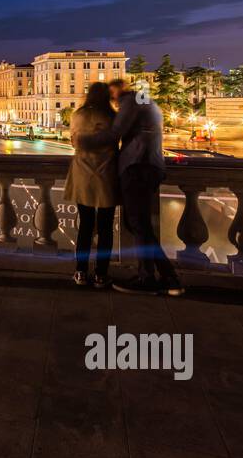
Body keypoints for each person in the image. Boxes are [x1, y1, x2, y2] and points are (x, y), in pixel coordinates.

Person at [91, 79, 185, 296]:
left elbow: (115, 133)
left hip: (137, 167)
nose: (112, 99)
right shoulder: (145, 102)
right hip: (148, 166)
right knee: (139, 225)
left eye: (111, 93)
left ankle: (151, 278)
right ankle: (165, 277)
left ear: (117, 89)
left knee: (138, 224)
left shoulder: (131, 102)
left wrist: (85, 140)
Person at [65, 81, 119, 288]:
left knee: (85, 226)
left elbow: (73, 141)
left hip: (83, 174)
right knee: (105, 228)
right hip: (106, 174)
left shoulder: (78, 115)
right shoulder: (111, 116)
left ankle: (80, 271)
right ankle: (101, 274)